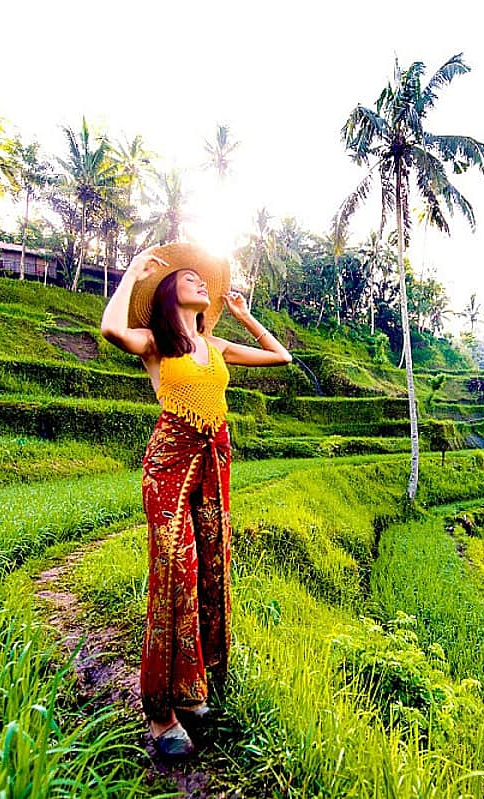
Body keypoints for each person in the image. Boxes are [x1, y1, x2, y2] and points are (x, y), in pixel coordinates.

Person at [99, 242, 291, 757]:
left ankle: (194, 688)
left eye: (202, 281)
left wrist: (247, 318)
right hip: (170, 463)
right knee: (174, 574)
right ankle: (161, 713)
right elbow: (111, 330)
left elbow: (281, 356)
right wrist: (130, 274)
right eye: (190, 280)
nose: (202, 284)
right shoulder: (156, 342)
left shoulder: (217, 346)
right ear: (168, 294)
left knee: (210, 567)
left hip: (213, 464)